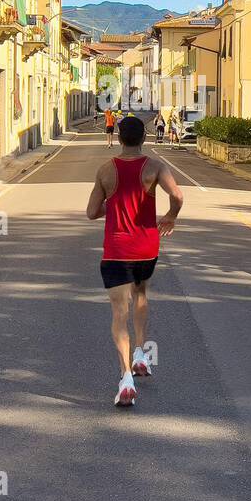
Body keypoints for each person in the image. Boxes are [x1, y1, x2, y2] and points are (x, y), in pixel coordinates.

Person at [86, 116, 184, 407]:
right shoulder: (155, 167)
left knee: (119, 313)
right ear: (145, 137)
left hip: (117, 249)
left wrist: (113, 204)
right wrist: (170, 217)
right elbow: (177, 195)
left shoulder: (105, 170)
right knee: (141, 294)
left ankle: (126, 377)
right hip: (146, 247)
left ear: (118, 137)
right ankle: (141, 355)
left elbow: (91, 212)